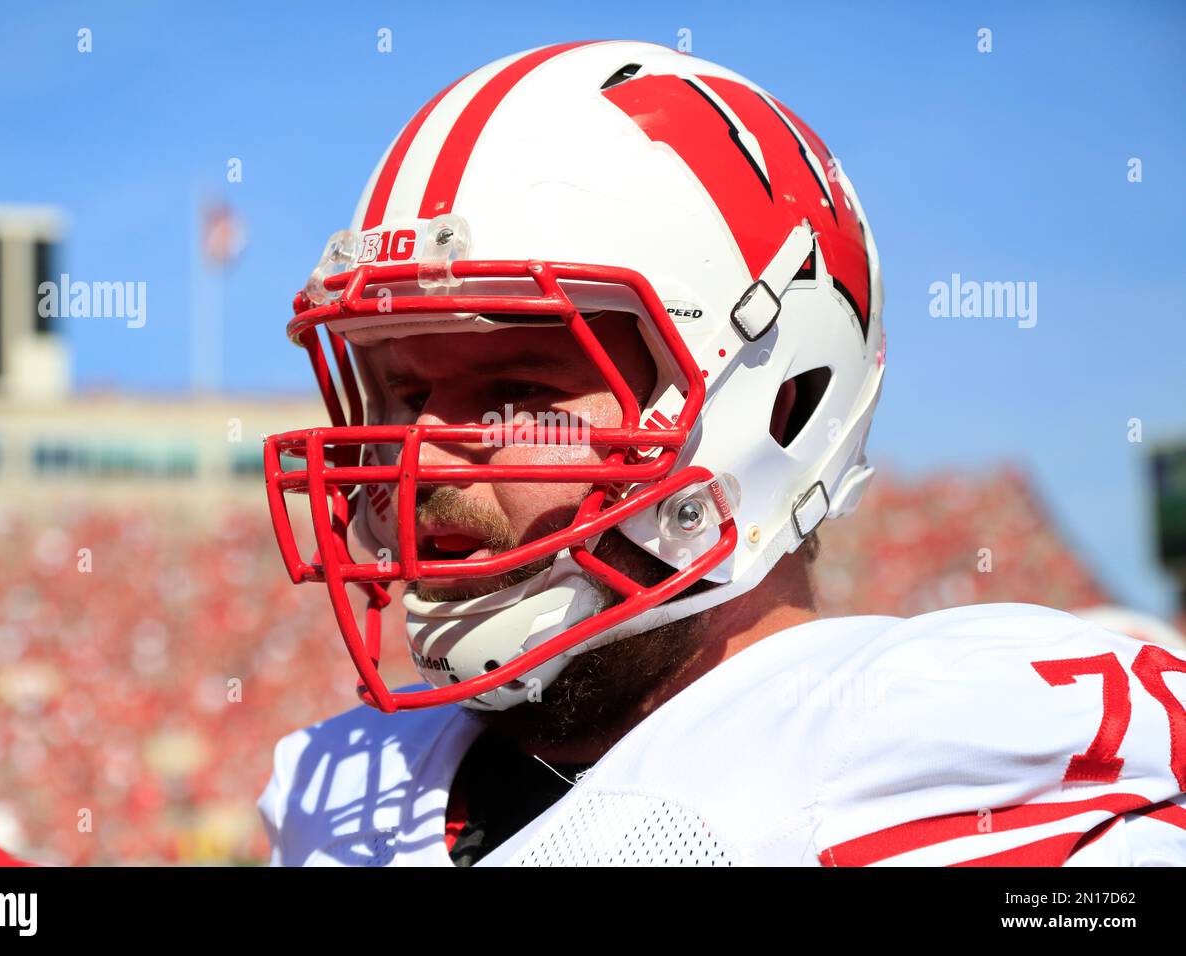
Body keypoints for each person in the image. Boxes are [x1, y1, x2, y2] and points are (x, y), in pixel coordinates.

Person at [257, 40, 1186, 866]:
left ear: (776, 399)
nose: (426, 459)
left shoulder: (928, 766)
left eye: (520, 390)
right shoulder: (340, 796)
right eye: (408, 393)